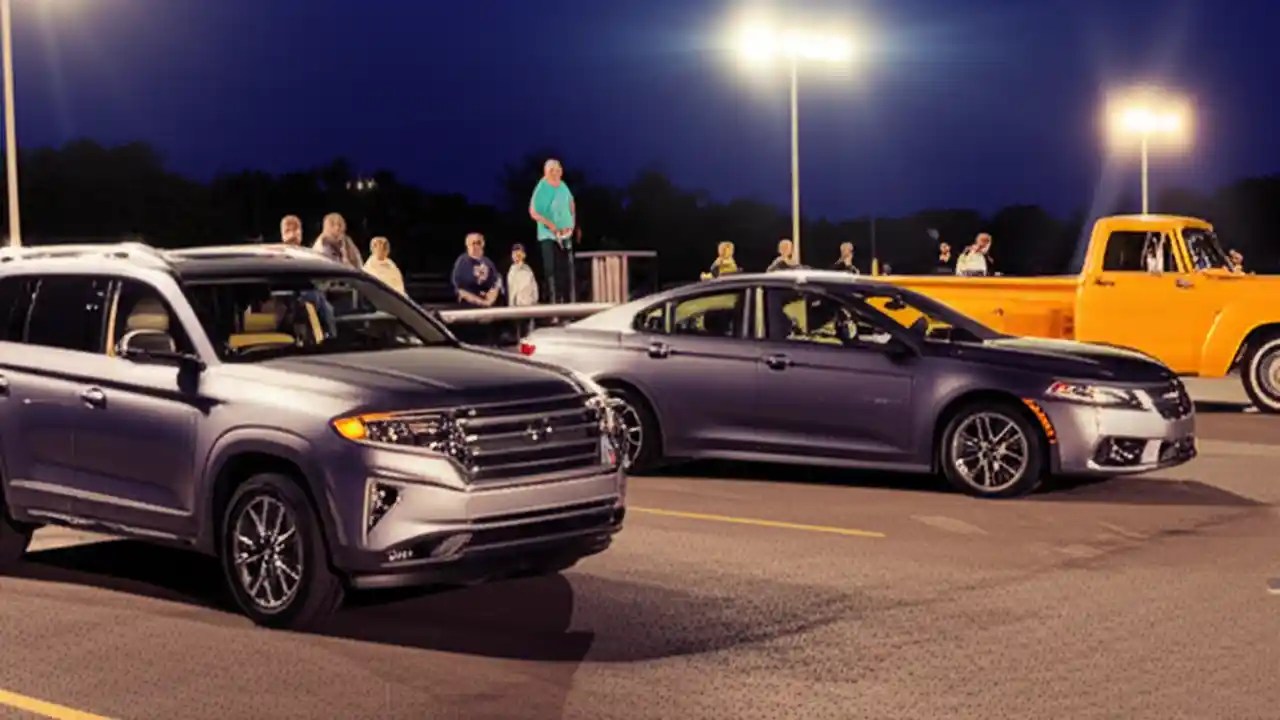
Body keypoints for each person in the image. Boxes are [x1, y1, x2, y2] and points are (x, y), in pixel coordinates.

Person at [528, 159, 576, 303]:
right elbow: (533, 211)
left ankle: (568, 304)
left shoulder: (563, 186)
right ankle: (554, 305)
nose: (555, 173)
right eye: (551, 170)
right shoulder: (542, 187)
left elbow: (571, 204)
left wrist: (572, 224)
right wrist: (551, 225)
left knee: (566, 270)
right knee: (552, 271)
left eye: (557, 170)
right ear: (546, 172)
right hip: (549, 235)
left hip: (565, 234)